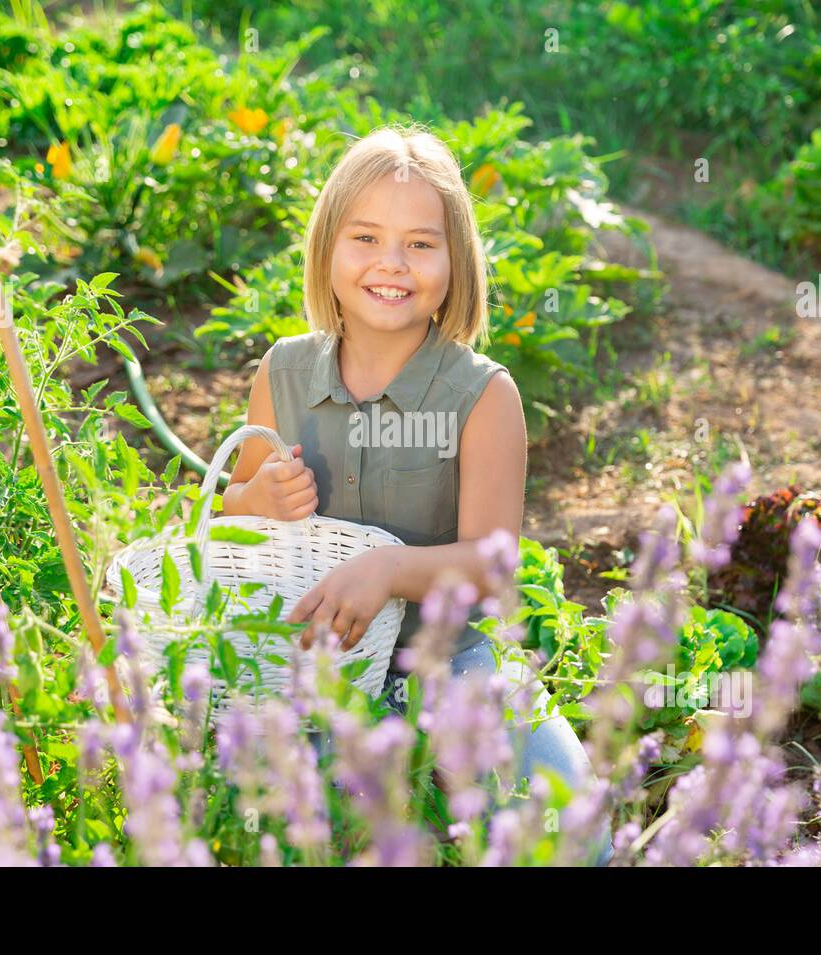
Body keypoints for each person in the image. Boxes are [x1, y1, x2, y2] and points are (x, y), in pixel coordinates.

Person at [220, 124, 611, 865]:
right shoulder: (282, 374)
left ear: (455, 260)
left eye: (420, 244)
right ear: (327, 249)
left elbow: (494, 565)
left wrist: (391, 571)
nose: (391, 264)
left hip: (449, 661)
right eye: (365, 238)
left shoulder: (482, 394)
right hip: (311, 660)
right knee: (288, 826)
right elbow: (231, 521)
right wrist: (252, 503)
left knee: (567, 831)